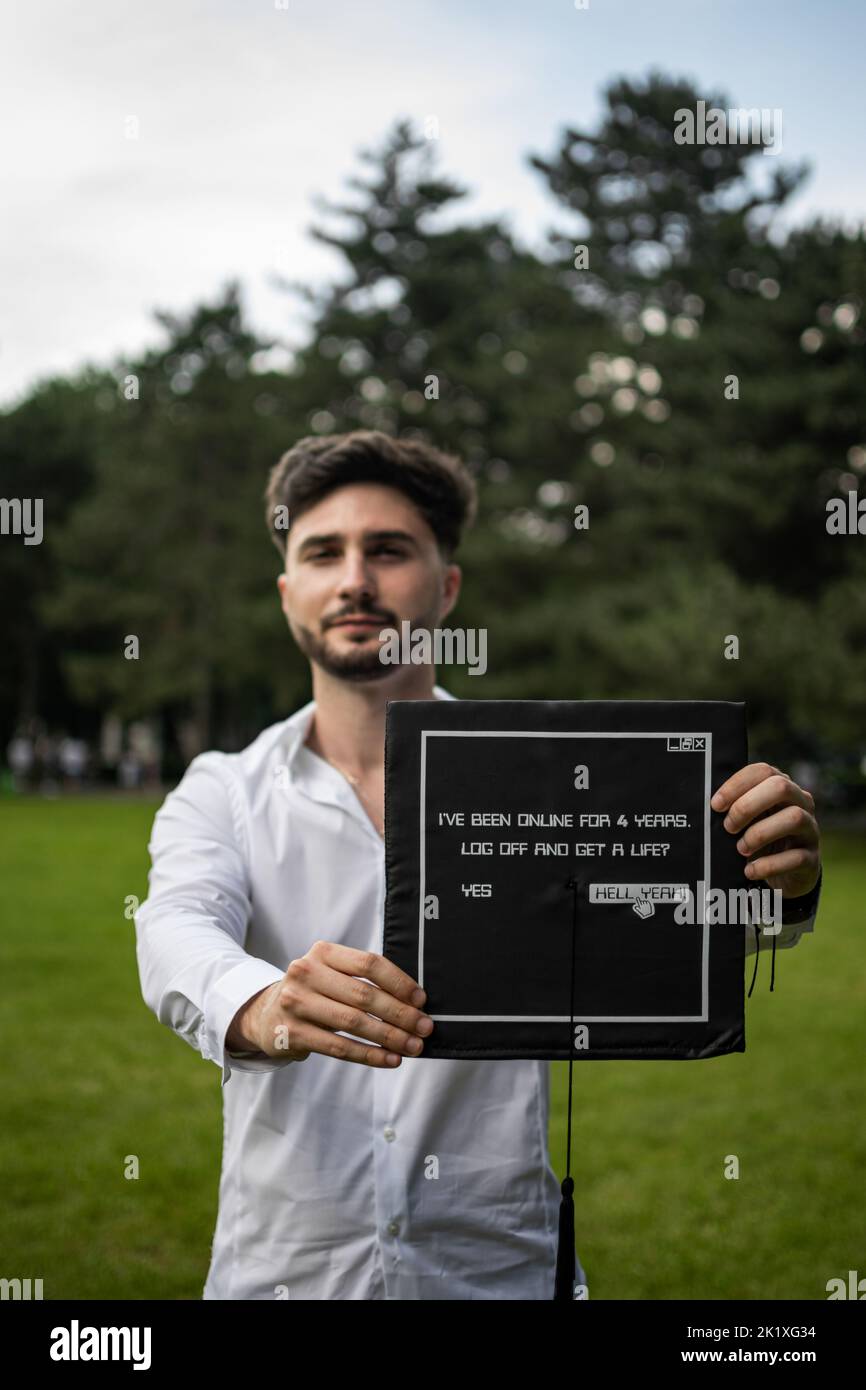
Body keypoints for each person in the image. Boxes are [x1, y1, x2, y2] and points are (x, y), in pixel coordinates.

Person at [134, 429, 823, 1301]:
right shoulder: (224, 789)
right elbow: (172, 927)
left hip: (497, 1277)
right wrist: (261, 1002)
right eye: (323, 553)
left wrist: (779, 883)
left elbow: (662, 932)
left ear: (447, 586)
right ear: (287, 592)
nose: (355, 579)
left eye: (388, 550)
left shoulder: (552, 771)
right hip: (284, 1275)